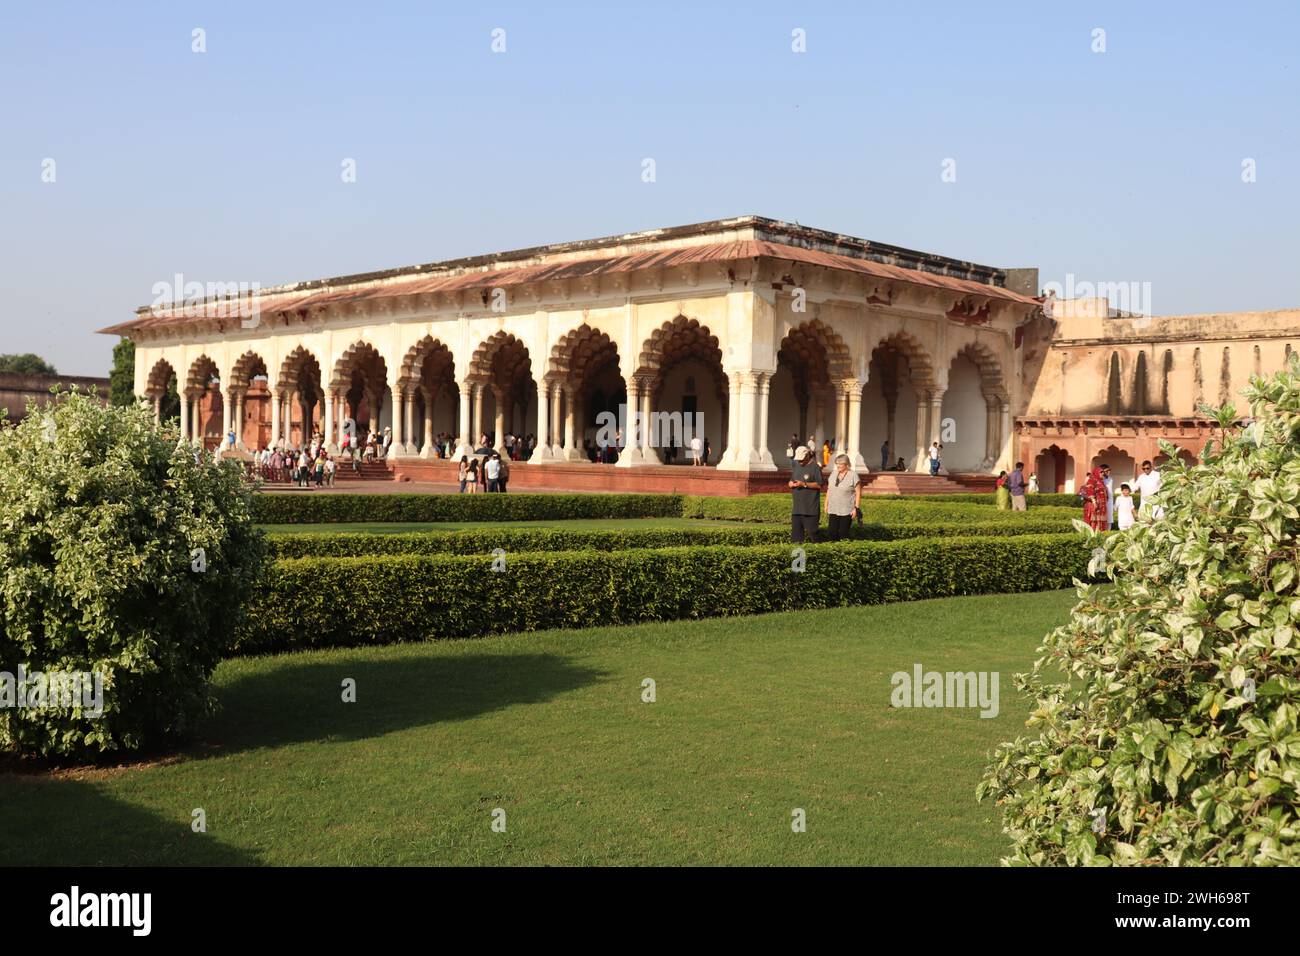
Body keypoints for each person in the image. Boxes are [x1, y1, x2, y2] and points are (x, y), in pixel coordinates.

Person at [788, 445, 822, 543]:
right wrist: (790, 484)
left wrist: (804, 484)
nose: (800, 462)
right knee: (796, 537)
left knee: (813, 534)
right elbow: (791, 480)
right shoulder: (796, 466)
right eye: (798, 460)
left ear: (807, 455)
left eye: (801, 460)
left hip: (810, 509)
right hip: (797, 509)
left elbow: (819, 485)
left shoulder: (815, 467)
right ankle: (798, 557)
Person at [824, 454, 861, 541]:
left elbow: (858, 492)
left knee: (843, 533)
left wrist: (856, 508)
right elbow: (829, 490)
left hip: (847, 509)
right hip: (833, 508)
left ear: (846, 464)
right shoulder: (833, 473)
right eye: (837, 463)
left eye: (841, 464)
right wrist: (826, 504)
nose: (838, 466)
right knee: (832, 533)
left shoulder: (853, 475)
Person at [1081, 466, 1110, 531]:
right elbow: (1090, 490)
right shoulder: (1092, 480)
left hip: (1101, 506)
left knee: (1101, 522)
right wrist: (1094, 502)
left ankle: (1100, 534)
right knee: (1093, 522)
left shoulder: (1101, 481)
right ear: (1096, 472)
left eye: (1103, 472)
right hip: (1094, 505)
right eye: (1101, 472)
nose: (1102, 474)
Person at [1101, 464, 1115, 529]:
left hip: (1110, 501)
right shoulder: (1100, 480)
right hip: (1102, 501)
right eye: (1107, 471)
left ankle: (1108, 532)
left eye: (1109, 470)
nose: (1109, 472)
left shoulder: (1111, 479)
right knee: (1103, 518)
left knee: (1110, 519)